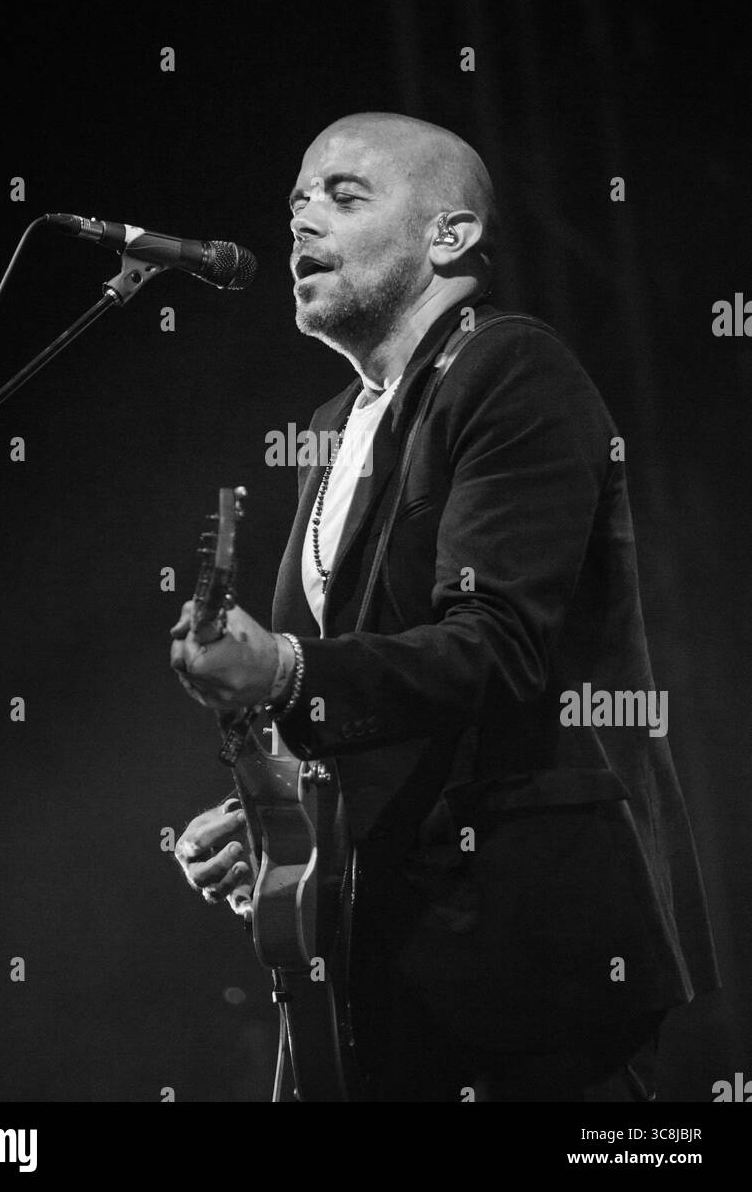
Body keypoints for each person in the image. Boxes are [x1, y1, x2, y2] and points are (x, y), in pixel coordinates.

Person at [170, 111, 719, 1102]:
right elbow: (379, 687)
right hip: (390, 965)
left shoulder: (509, 368)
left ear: (448, 236)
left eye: (343, 196)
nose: (301, 220)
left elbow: (494, 647)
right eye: (296, 199)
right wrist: (278, 805)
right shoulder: (331, 430)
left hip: (526, 956)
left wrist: (286, 669)